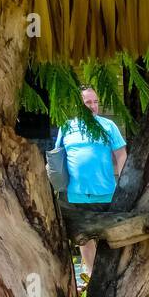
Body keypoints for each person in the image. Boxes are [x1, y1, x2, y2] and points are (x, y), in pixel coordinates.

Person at [57, 86, 127, 277]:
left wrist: (123, 185)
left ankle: (111, 275)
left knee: (109, 236)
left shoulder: (108, 126)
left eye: (95, 102)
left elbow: (121, 155)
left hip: (105, 192)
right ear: (79, 105)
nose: (93, 106)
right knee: (84, 238)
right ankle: (91, 274)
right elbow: (57, 157)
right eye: (88, 102)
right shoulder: (66, 127)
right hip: (76, 193)